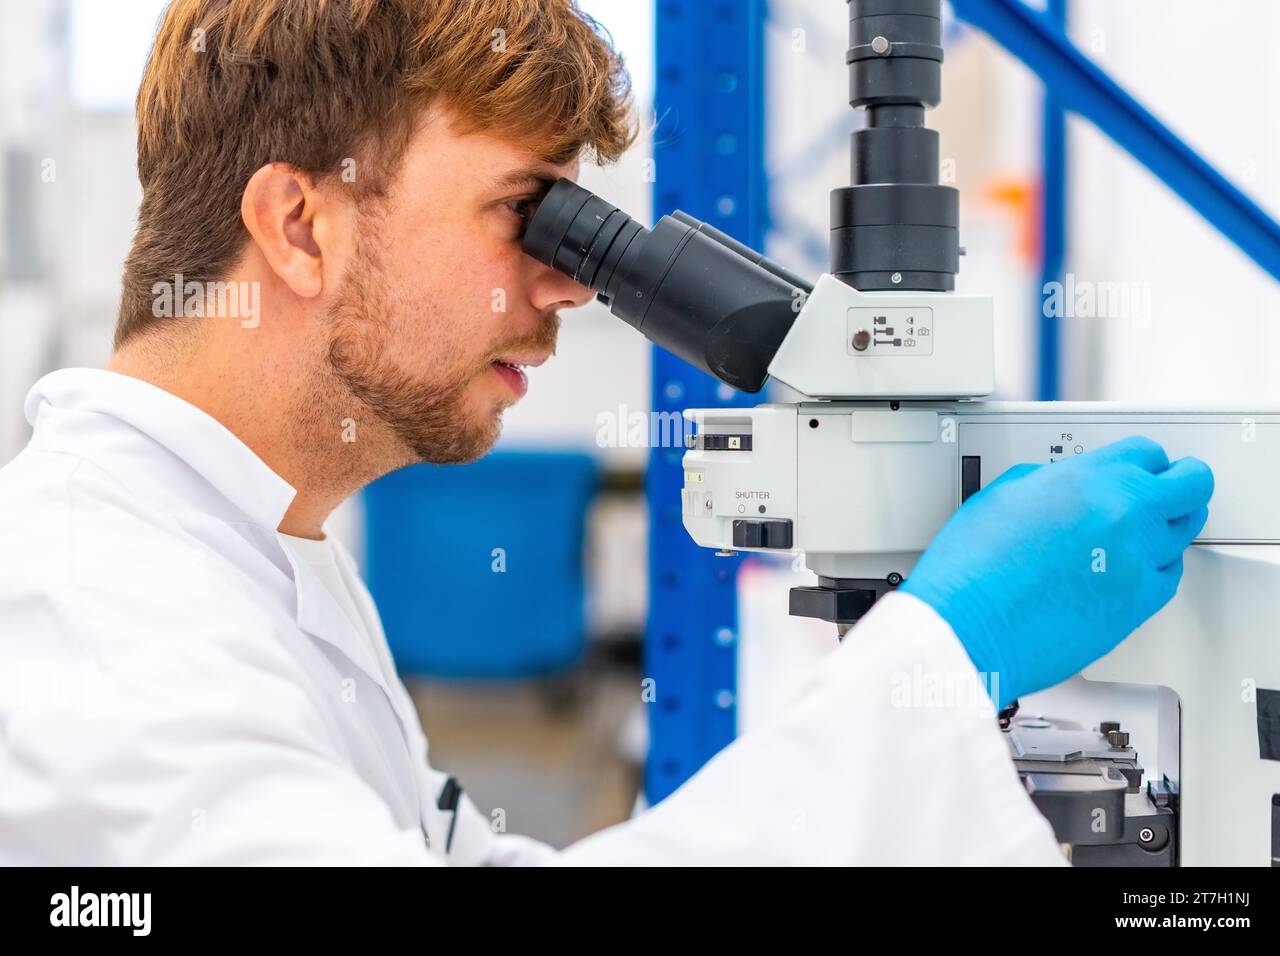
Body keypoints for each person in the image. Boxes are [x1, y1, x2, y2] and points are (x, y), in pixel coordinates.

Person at [0, 0, 1213, 865]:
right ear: (300, 226)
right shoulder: (101, 622)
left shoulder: (263, 553)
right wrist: (944, 656)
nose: (572, 285)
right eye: (523, 214)